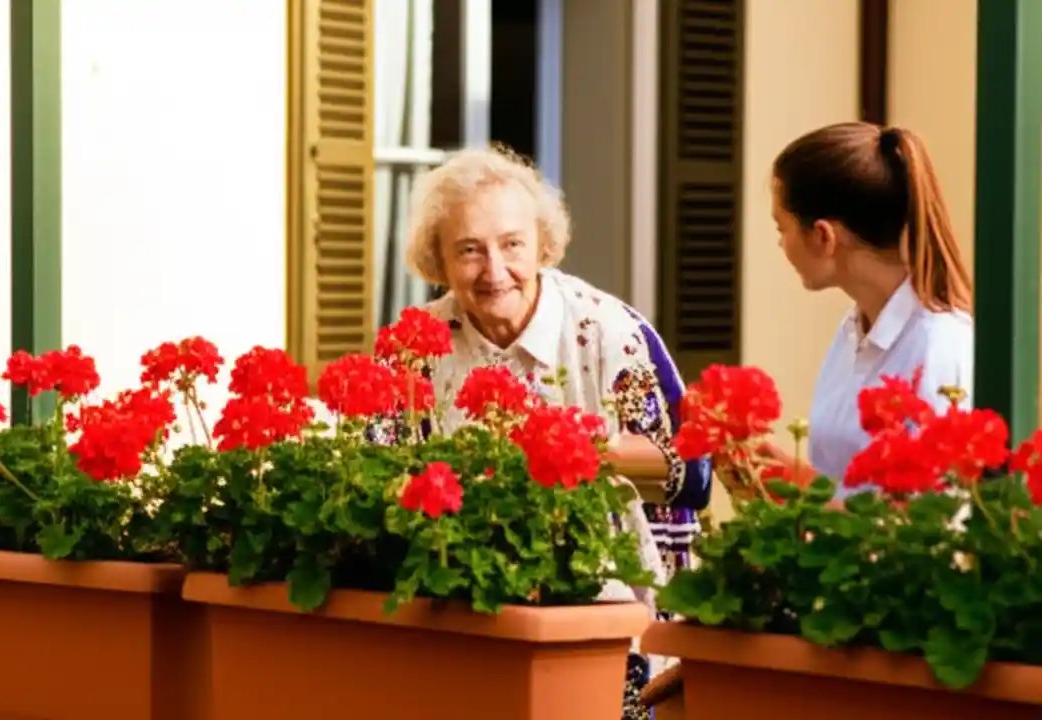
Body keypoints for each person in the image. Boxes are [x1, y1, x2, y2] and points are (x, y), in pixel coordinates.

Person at [403, 144, 711, 720]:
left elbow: (691, 473)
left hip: (613, 599)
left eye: (512, 245)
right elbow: (387, 475)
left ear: (542, 245)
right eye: (469, 250)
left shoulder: (609, 332)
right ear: (438, 262)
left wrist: (586, 449)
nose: (494, 271)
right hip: (462, 599)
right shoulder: (417, 348)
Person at [761, 122, 974, 491]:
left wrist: (814, 500)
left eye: (782, 229)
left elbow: (931, 523)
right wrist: (798, 482)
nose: (781, 245)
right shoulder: (852, 331)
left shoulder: (939, 349)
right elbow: (853, 492)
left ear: (824, 236)